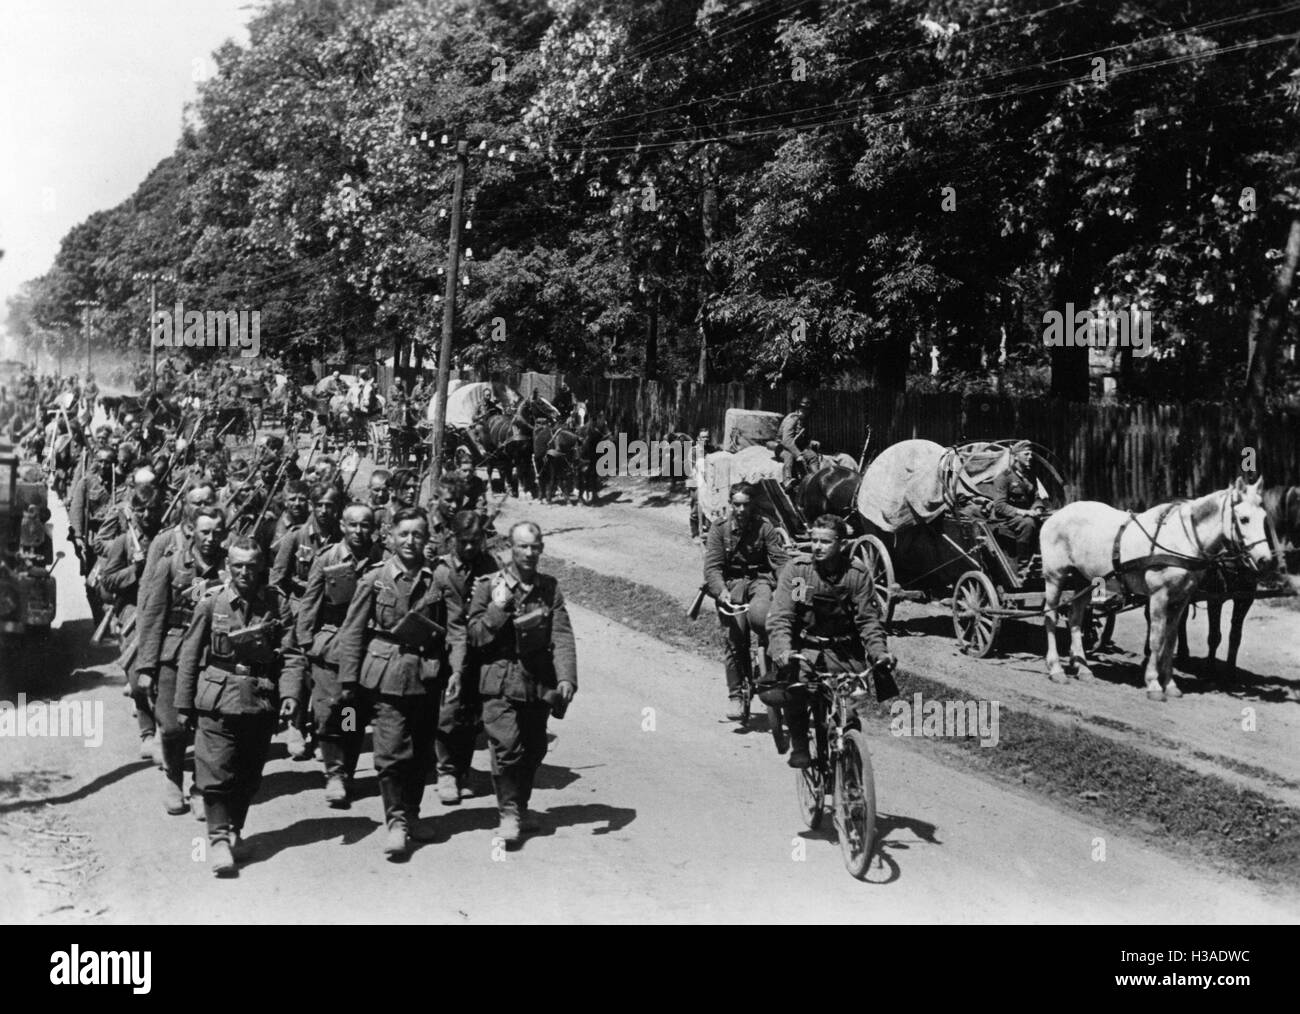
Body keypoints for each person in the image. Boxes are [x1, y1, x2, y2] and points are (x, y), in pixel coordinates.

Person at [176, 537, 304, 876]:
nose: (245, 572)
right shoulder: (212, 602)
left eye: (251, 566)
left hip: (260, 698)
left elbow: (292, 654)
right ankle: (217, 840)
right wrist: (184, 706)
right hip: (217, 697)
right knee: (216, 770)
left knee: (249, 775)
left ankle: (234, 830)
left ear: (262, 567)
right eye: (238, 566)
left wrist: (290, 695)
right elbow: (189, 656)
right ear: (227, 567)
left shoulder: (276, 604)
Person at [334, 508, 452, 859]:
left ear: (427, 537)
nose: (411, 541)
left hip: (426, 675)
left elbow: (455, 628)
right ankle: (396, 822)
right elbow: (353, 631)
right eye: (404, 534)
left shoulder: (440, 579)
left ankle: (412, 815)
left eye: (418, 534)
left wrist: (456, 670)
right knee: (390, 755)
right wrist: (348, 682)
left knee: (419, 753)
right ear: (390, 537)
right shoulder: (375, 579)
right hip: (384, 677)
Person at [466, 521, 576, 846]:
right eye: (522, 546)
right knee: (507, 747)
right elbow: (474, 636)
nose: (529, 553)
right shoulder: (489, 586)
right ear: (509, 548)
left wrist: (567, 677)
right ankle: (509, 813)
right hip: (498, 680)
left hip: (536, 682)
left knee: (534, 747)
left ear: (541, 548)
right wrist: (498, 608)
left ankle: (522, 805)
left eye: (535, 546)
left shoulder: (549, 588)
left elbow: (562, 634)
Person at [764, 515, 896, 768]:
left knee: (849, 713)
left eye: (825, 542)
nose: (817, 547)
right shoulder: (801, 572)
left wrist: (879, 652)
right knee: (796, 690)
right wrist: (782, 649)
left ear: (841, 544)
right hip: (806, 650)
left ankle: (852, 776)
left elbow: (868, 621)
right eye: (813, 540)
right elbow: (783, 615)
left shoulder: (855, 576)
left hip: (844, 654)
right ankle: (800, 744)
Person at [135, 506, 228, 817]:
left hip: (212, 657)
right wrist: (146, 668)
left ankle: (201, 788)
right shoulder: (171, 565)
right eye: (205, 532)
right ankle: (173, 778)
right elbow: (153, 619)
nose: (211, 539)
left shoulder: (231, 568)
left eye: (217, 532)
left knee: (207, 729)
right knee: (174, 727)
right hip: (173, 654)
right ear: (191, 530)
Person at [294, 503, 384, 807]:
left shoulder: (381, 560)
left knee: (353, 714)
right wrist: (306, 643)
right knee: (328, 711)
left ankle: (346, 771)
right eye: (353, 525)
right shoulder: (328, 558)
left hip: (366, 650)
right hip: (331, 647)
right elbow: (310, 604)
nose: (359, 532)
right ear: (343, 527)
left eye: (365, 526)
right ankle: (333, 773)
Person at [703, 482, 789, 720]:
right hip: (731, 586)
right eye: (737, 504)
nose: (741, 510)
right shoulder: (719, 529)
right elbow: (712, 568)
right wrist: (721, 591)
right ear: (731, 504)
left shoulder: (765, 527)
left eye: (746, 505)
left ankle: (773, 674)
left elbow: (780, 561)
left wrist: (785, 585)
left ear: (753, 505)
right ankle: (736, 695)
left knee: (765, 620)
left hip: (759, 581)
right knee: (735, 637)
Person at [433, 510, 500, 805]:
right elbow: (448, 620)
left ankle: (462, 770)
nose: (471, 547)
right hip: (447, 647)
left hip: (479, 648)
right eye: (465, 541)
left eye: (476, 541)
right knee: (448, 711)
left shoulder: (489, 565)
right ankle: (445, 771)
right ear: (453, 539)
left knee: (472, 715)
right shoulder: (442, 570)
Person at [989, 441, 1045, 576]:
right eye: (1026, 454)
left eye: (1031, 454)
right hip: (1006, 519)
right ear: (1015, 456)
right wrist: (1024, 512)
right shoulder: (1004, 477)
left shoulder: (1030, 475)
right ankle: (1023, 566)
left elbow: (1037, 498)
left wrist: (1037, 509)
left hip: (1027, 515)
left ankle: (1042, 563)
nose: (1030, 457)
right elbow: (1000, 506)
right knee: (1028, 524)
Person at [778, 396, 817, 486]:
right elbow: (786, 440)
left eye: (807, 409)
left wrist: (811, 443)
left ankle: (816, 476)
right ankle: (787, 481)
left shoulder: (804, 421)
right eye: (803, 409)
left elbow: (803, 438)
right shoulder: (792, 418)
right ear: (799, 408)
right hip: (783, 446)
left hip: (797, 446)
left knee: (812, 456)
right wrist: (798, 454)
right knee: (789, 455)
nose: (805, 411)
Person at [686, 427, 717, 540]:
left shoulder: (712, 449)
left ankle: (707, 529)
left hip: (708, 481)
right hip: (696, 480)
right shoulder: (694, 451)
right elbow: (692, 469)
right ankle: (694, 533)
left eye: (707, 437)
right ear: (698, 438)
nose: (705, 439)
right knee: (697, 506)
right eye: (703, 437)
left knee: (710, 506)